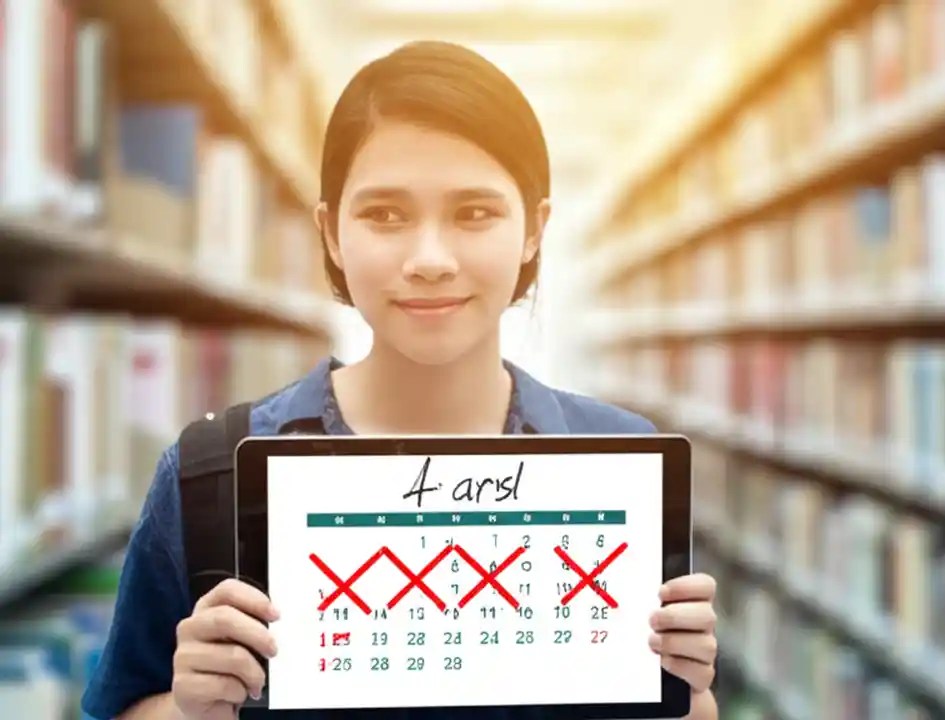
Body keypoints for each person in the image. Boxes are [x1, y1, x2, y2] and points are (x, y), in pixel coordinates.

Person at [81, 40, 719, 720]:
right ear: (330, 233)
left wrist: (689, 688)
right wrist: (189, 709)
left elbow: (679, 710)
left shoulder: (624, 465)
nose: (430, 259)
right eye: (384, 214)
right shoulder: (211, 476)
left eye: (475, 213)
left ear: (534, 230)